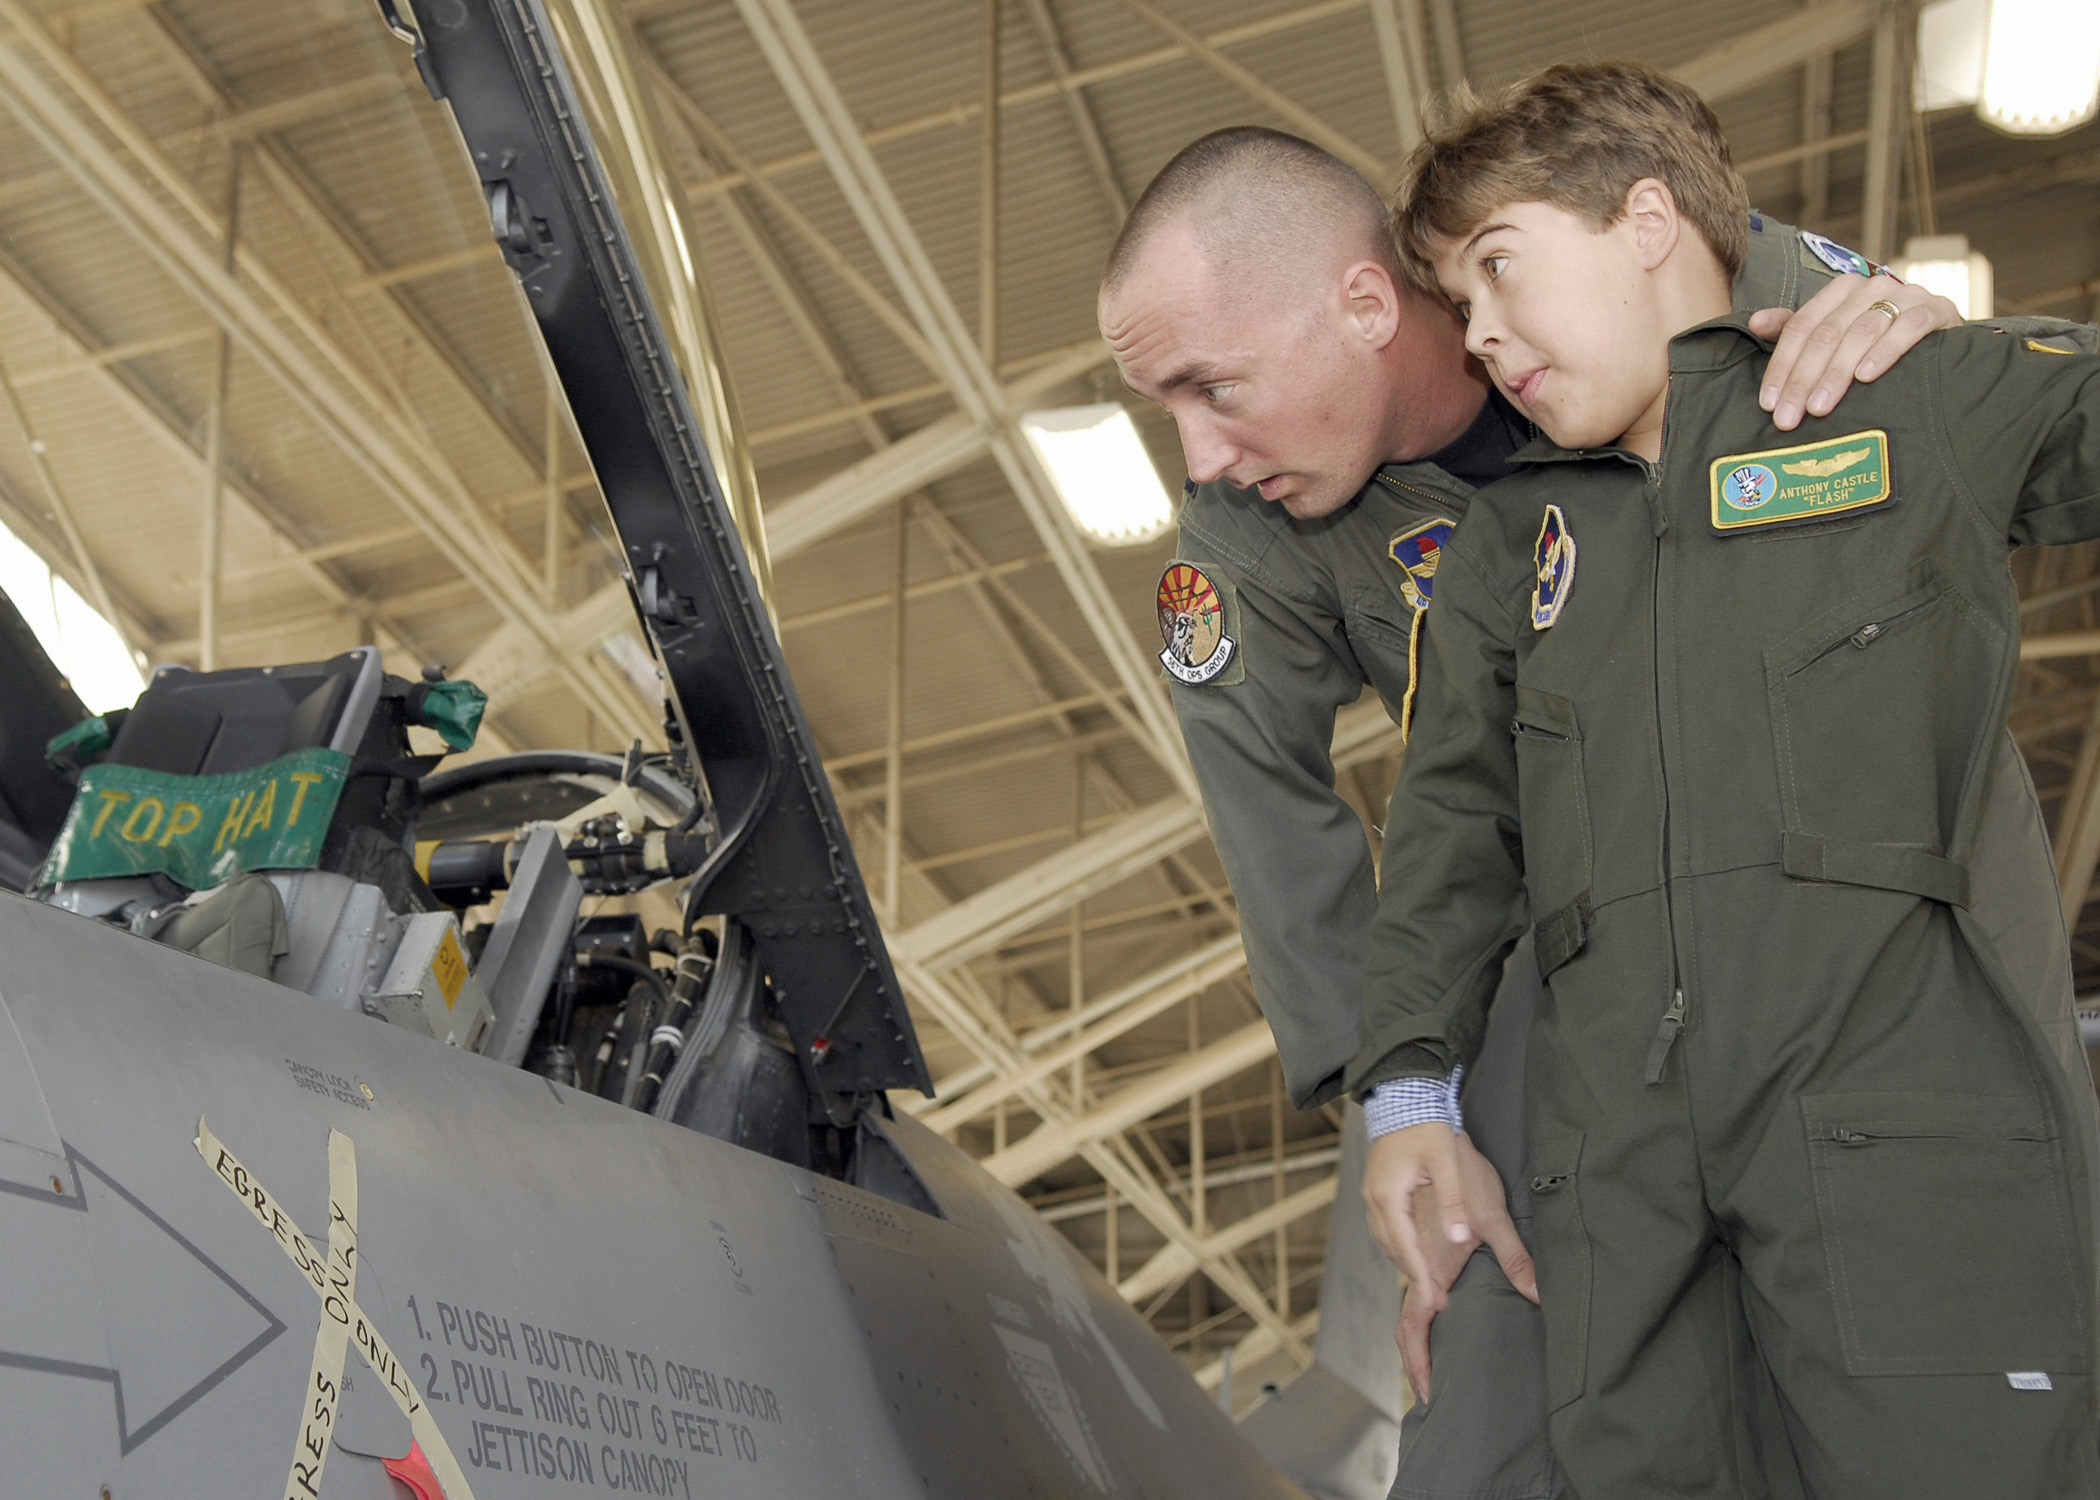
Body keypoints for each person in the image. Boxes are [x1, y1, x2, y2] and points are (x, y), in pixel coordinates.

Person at [1098, 126, 2009, 1499]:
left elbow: (1938, 402)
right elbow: (1291, 856)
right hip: (1557, 923)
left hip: (1832, 893)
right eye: (1167, 408)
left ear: (1362, 304)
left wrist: (1918, 328)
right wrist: (1415, 1127)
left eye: (1212, 387)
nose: (1204, 454)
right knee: (1494, 1413)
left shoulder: (1658, 281)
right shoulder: (1247, 544)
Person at [1353, 60, 2100, 1499]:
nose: (1486, 338)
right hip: (1628, 1192)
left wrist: (1959, 330)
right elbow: (1452, 830)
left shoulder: (1897, 400)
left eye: (1499, 271)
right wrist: (1407, 1102)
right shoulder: (1515, 546)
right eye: (1461, 308)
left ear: (1646, 220)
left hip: (1907, 1154)